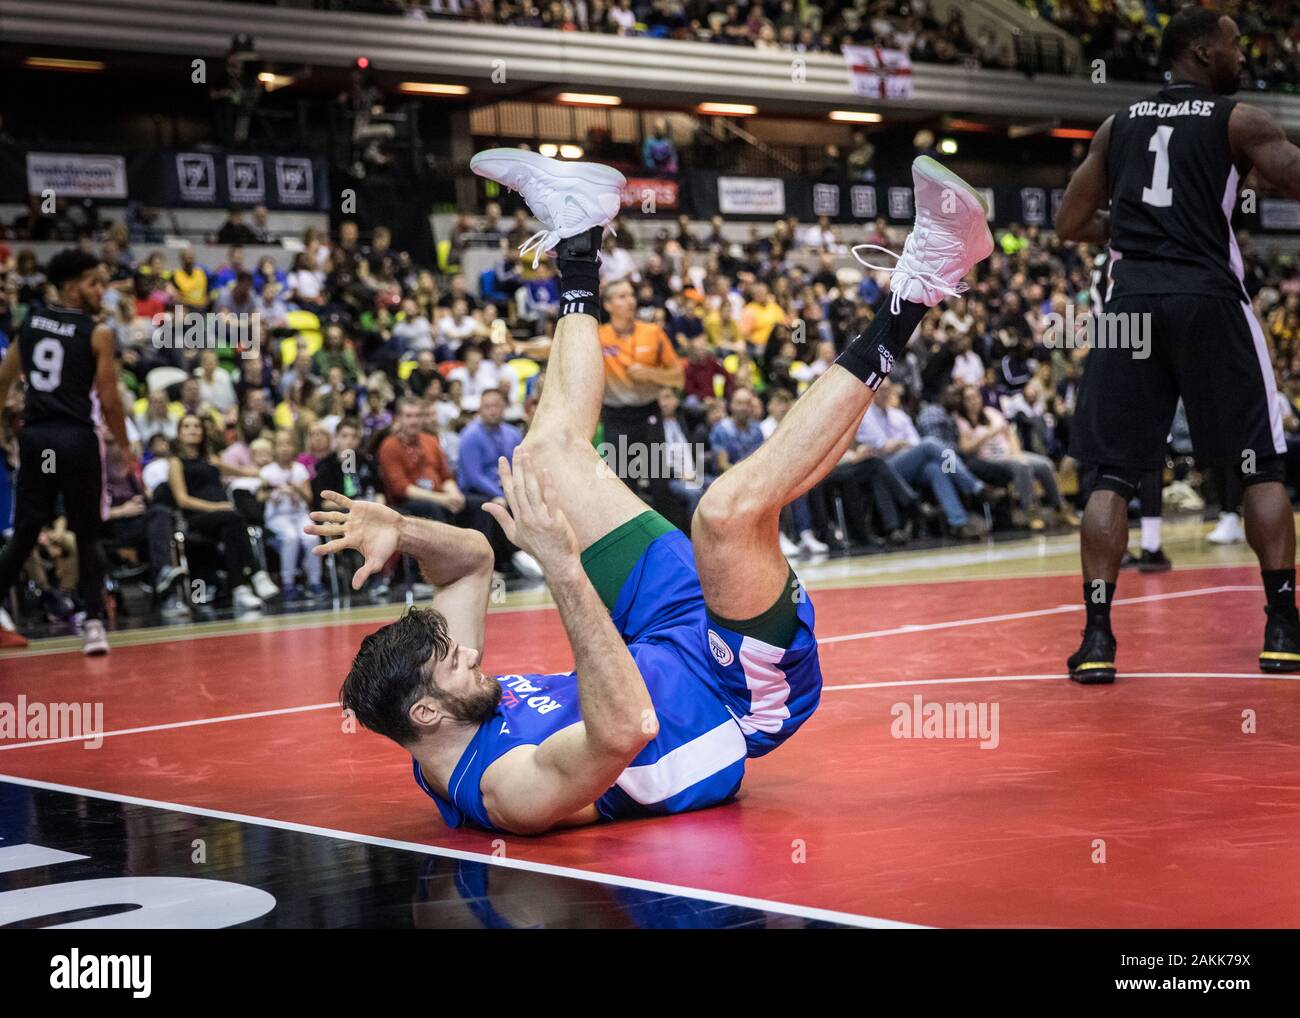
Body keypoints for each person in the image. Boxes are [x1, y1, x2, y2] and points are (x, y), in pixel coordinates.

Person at [308, 147, 989, 834]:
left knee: (543, 457)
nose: (472, 652)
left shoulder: (438, 695)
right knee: (724, 513)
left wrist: (403, 528)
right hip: (732, 694)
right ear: (426, 712)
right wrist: (563, 565)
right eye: (453, 660)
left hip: (654, 636)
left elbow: (470, 564)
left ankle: (578, 238)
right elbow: (627, 728)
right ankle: (923, 283)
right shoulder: (506, 790)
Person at [1056, 8, 1300, 681]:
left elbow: (1070, 222)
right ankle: (1283, 628)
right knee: (1259, 467)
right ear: (1201, 50)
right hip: (1208, 300)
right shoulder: (1239, 120)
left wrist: (1139, 226)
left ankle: (1098, 639)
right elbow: (1293, 175)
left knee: (1110, 475)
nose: (1243, 55)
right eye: (1234, 44)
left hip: (1130, 306)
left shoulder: (1117, 124)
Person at [0, 249, 132, 653]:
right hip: (75, 440)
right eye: (94, 283)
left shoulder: (30, 323)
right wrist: (124, 446)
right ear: (72, 288)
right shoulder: (97, 332)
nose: (101, 290)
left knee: (26, 531)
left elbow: (3, 380)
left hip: (39, 441)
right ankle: (92, 623)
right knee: (87, 532)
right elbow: (110, 400)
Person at [261, 430, 323, 601]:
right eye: (280, 445)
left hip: (299, 513)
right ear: (274, 448)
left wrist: (296, 488)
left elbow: (309, 497)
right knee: (291, 537)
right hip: (278, 516)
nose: (284, 448)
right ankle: (288, 582)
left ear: (294, 447)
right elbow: (260, 496)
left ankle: (315, 581)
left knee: (311, 538)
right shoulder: (267, 471)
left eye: (288, 444)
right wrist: (274, 491)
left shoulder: (300, 469)